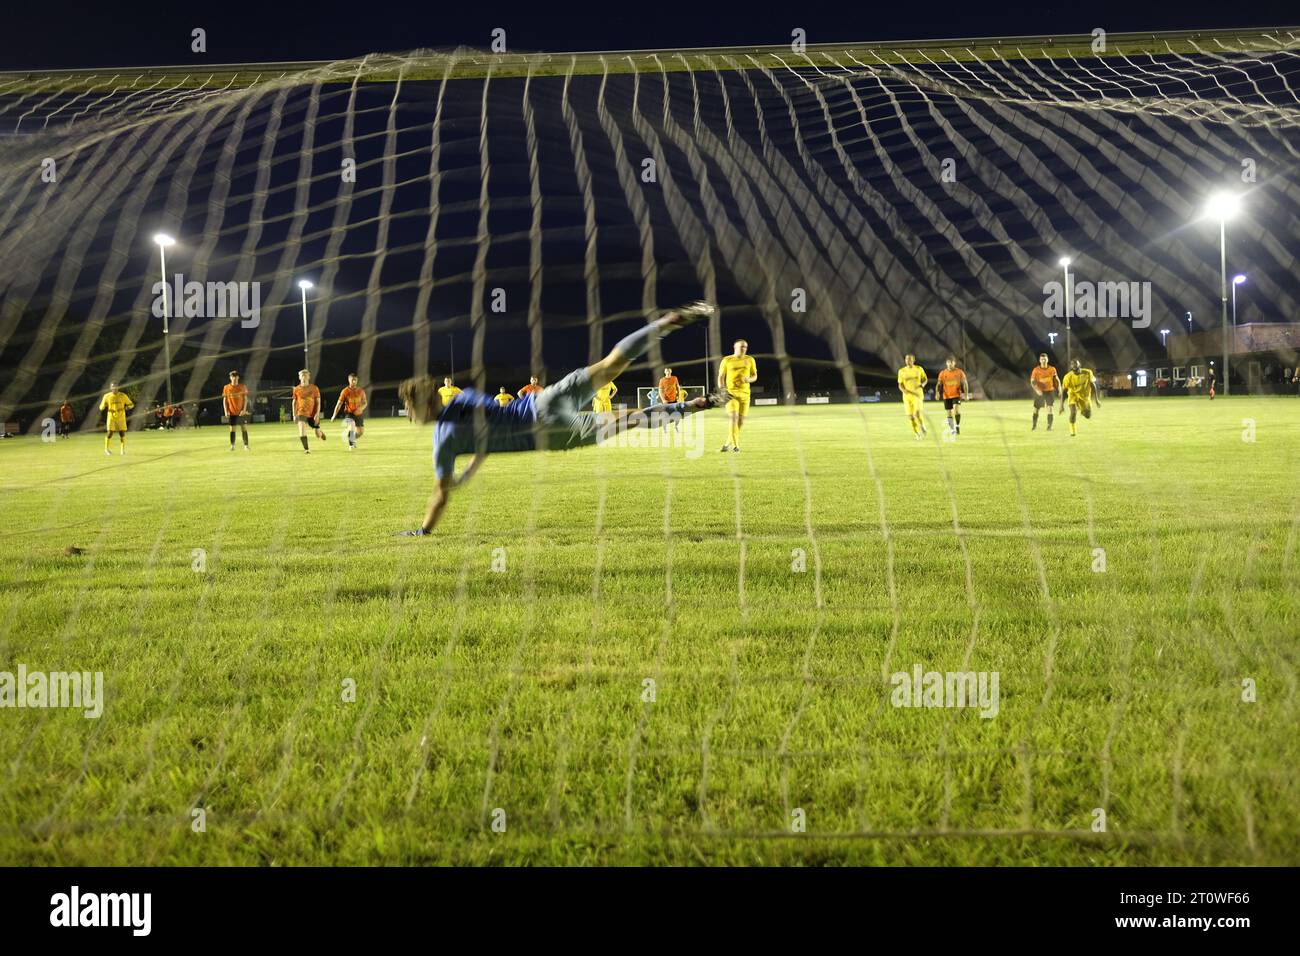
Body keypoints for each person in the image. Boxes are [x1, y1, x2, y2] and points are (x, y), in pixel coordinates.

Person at [396, 302, 725, 536]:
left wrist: (424, 529)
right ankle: (666, 323)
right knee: (611, 363)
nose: (409, 417)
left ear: (424, 407)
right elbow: (487, 431)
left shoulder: (444, 439)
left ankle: (694, 405)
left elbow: (441, 495)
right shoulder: (465, 396)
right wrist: (471, 468)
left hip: (548, 432)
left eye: (410, 410)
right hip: (545, 399)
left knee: (632, 418)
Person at [718, 340, 758, 452]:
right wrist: (722, 390)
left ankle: (727, 444)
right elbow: (721, 377)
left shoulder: (750, 360)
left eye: (745, 347)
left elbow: (755, 376)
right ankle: (736, 446)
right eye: (741, 346)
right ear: (735, 347)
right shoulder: (727, 360)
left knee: (740, 422)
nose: (744, 348)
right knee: (733, 418)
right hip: (730, 394)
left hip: (745, 395)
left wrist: (748, 379)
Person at [1059, 359, 1101, 436]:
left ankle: (1082, 410)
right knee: (1073, 412)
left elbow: (1093, 385)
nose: (1075, 367)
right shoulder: (1068, 377)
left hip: (1085, 397)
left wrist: (1096, 399)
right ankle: (1073, 431)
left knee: (1088, 416)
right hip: (1073, 396)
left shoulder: (1088, 373)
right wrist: (1061, 405)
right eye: (1073, 366)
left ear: (1079, 366)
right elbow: (1063, 391)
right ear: (1071, 368)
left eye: (1076, 365)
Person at [292, 370, 327, 452]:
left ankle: (320, 433)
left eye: (305, 375)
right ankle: (306, 449)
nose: (304, 376)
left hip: (312, 413)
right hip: (301, 412)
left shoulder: (314, 388)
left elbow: (318, 402)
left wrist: (317, 414)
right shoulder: (296, 389)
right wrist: (294, 415)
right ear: (299, 377)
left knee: (317, 434)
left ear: (309, 377)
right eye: (302, 375)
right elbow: (294, 402)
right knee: (301, 429)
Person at [331, 373, 368, 451]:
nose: (354, 381)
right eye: (352, 380)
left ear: (357, 380)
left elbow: (365, 403)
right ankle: (351, 445)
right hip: (349, 413)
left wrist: (361, 408)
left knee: (360, 432)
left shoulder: (360, 391)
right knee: (352, 425)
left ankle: (351, 437)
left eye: (355, 380)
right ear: (349, 380)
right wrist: (334, 415)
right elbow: (339, 404)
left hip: (359, 414)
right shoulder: (345, 391)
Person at [936, 356, 969, 436]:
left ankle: (957, 426)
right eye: (948, 362)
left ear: (954, 363)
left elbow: (965, 383)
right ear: (946, 363)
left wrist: (966, 394)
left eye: (951, 362)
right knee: (949, 413)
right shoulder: (943, 373)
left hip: (956, 395)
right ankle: (952, 429)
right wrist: (937, 393)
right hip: (946, 396)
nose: (950, 364)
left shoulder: (959, 372)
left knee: (956, 410)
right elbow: (939, 384)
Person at [897, 353, 927, 439]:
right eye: (906, 359)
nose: (908, 361)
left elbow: (925, 379)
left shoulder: (919, 369)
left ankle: (922, 424)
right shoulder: (901, 371)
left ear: (913, 360)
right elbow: (900, 384)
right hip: (907, 397)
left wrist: (923, 385)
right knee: (910, 417)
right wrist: (904, 390)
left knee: (916, 413)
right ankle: (917, 434)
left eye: (910, 359)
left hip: (917, 395)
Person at [98, 382, 133, 455]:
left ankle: (122, 450)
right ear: (110, 388)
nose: (114, 388)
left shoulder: (123, 395)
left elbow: (131, 405)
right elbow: (101, 407)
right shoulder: (106, 396)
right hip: (111, 417)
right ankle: (106, 449)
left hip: (121, 417)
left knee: (122, 433)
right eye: (112, 387)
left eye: (115, 387)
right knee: (110, 433)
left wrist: (127, 407)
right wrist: (103, 406)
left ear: (118, 387)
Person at [1030, 353, 1060, 431]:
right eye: (1042, 359)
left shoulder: (1052, 369)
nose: (1043, 361)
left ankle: (1049, 427)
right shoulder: (1036, 370)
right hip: (1040, 391)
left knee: (1050, 408)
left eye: (1045, 359)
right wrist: (1037, 390)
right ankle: (1034, 426)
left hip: (1049, 391)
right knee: (1036, 409)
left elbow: (1056, 379)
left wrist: (1059, 388)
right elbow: (1032, 381)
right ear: (1040, 360)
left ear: (1047, 360)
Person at [223, 370, 251, 451]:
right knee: (232, 429)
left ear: (238, 377)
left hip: (241, 412)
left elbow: (245, 399)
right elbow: (225, 400)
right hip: (232, 412)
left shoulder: (242, 387)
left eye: (235, 376)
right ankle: (232, 446)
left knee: (244, 428)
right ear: (230, 378)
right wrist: (226, 411)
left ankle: (246, 446)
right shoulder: (226, 388)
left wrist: (244, 410)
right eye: (232, 376)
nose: (234, 378)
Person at [657, 367, 681, 432]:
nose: (668, 372)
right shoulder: (662, 380)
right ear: (665, 372)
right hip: (666, 401)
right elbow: (660, 391)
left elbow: (678, 387)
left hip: (674, 400)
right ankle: (665, 429)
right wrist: (663, 400)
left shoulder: (674, 378)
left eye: (669, 371)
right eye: (666, 371)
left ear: (671, 371)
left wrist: (678, 396)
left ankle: (676, 426)